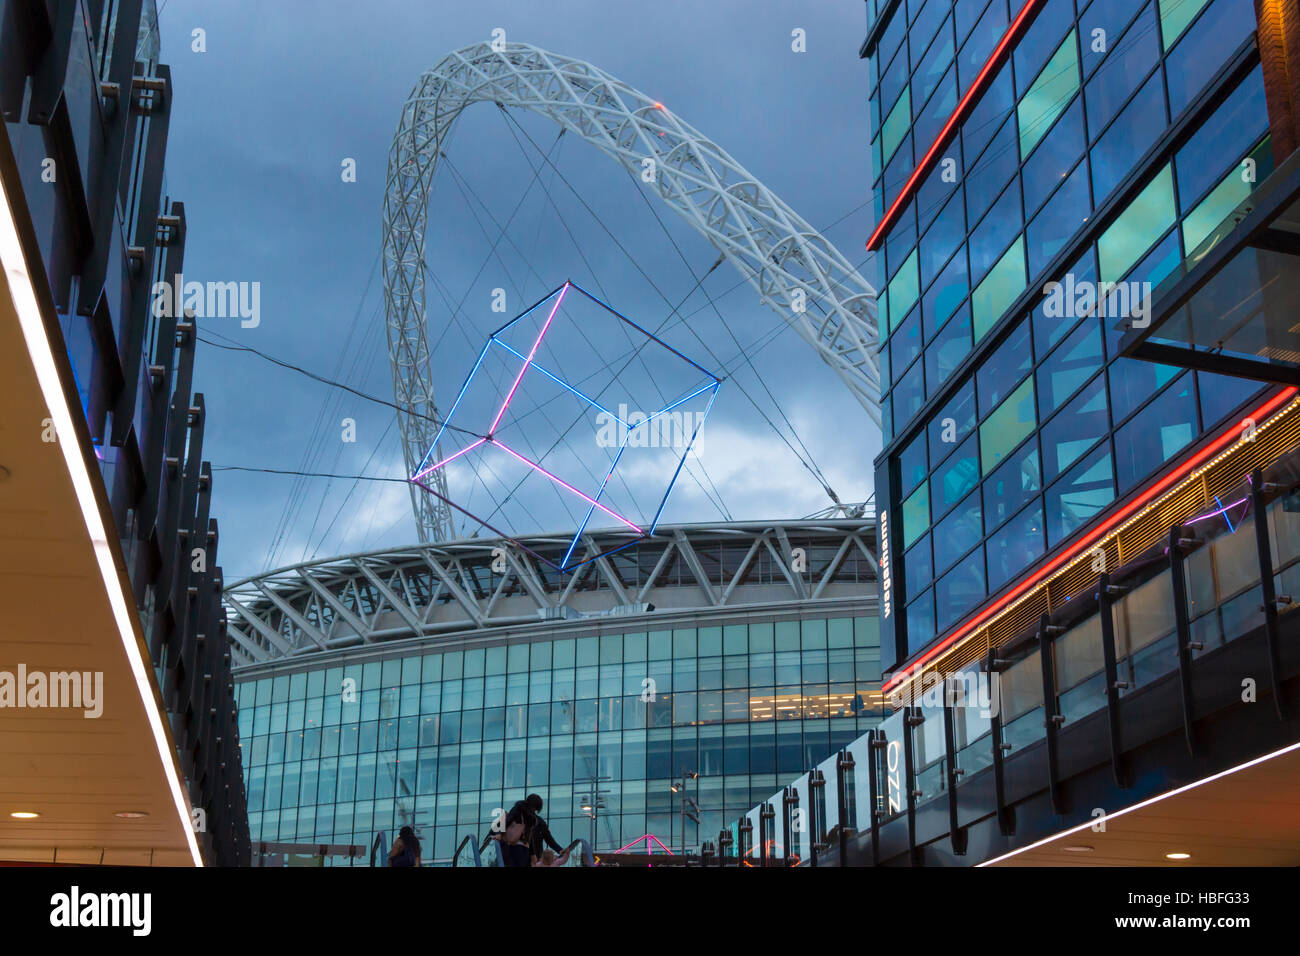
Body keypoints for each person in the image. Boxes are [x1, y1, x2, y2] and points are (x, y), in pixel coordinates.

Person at [507, 793, 566, 860]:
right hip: (520, 854)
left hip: (524, 854)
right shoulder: (518, 814)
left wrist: (559, 850)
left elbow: (548, 838)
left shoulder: (538, 822)